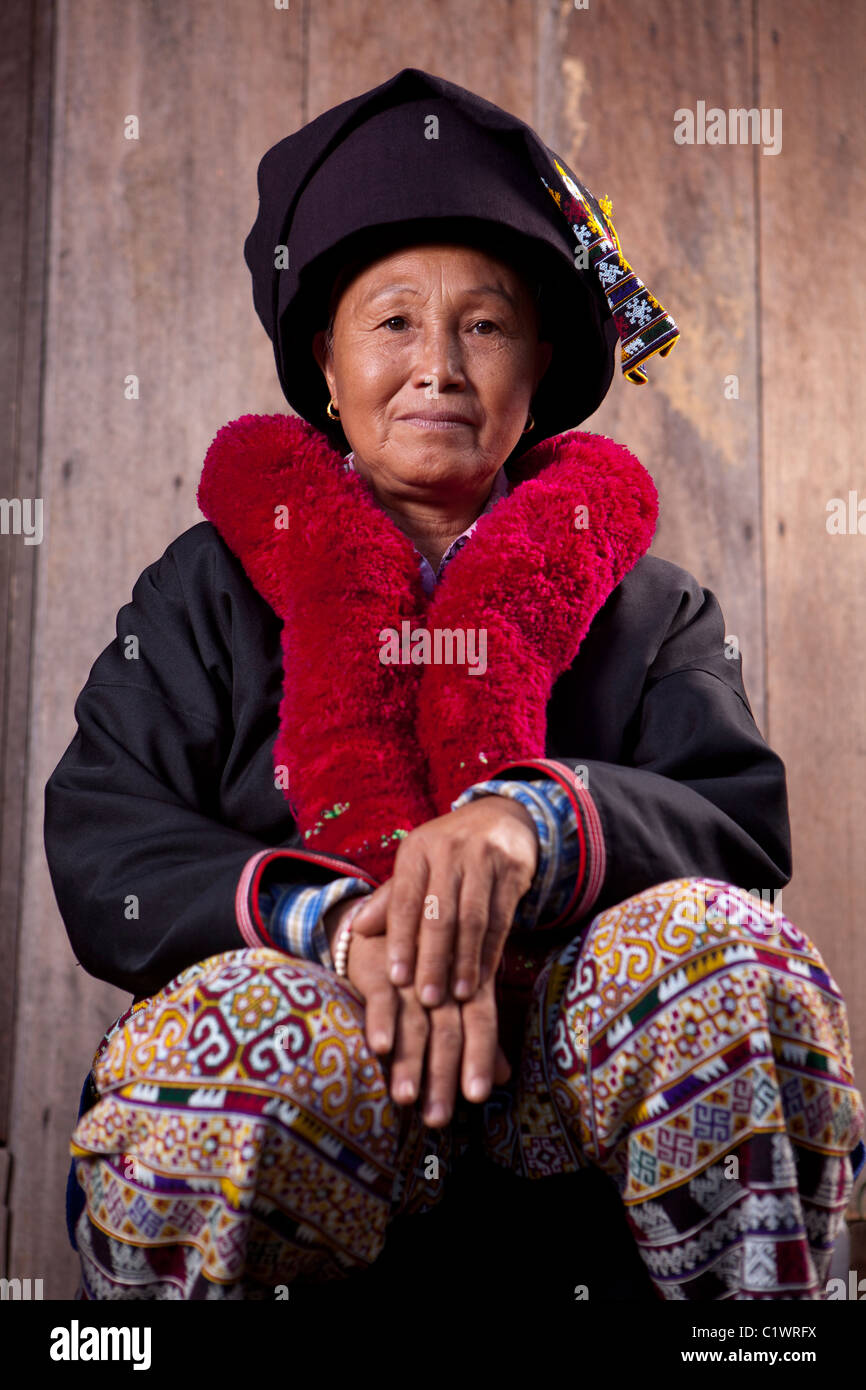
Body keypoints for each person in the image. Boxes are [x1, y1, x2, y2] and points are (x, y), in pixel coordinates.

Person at [45, 67, 864, 1302]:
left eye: (483, 326)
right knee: (219, 1048)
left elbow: (736, 824)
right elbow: (105, 835)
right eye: (391, 323)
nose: (437, 365)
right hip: (324, 1050)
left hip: (555, 1078)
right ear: (324, 365)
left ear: (537, 370)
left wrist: (533, 822)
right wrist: (326, 922)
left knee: (727, 956)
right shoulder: (203, 590)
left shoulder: (649, 605)